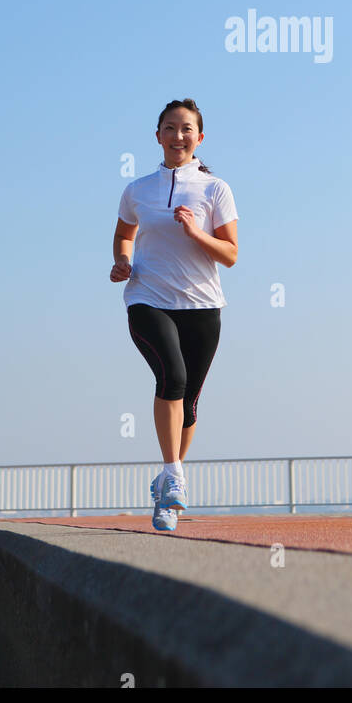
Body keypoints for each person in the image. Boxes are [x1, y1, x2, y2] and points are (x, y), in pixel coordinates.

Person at [110, 98, 239, 531]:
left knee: (190, 403)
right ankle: (175, 476)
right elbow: (124, 233)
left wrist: (196, 232)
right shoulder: (138, 189)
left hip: (202, 306)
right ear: (158, 135)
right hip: (147, 298)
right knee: (173, 379)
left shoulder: (215, 189)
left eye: (187, 129)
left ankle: (168, 484)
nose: (178, 135)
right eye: (170, 128)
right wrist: (123, 262)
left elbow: (231, 255)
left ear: (199, 138)